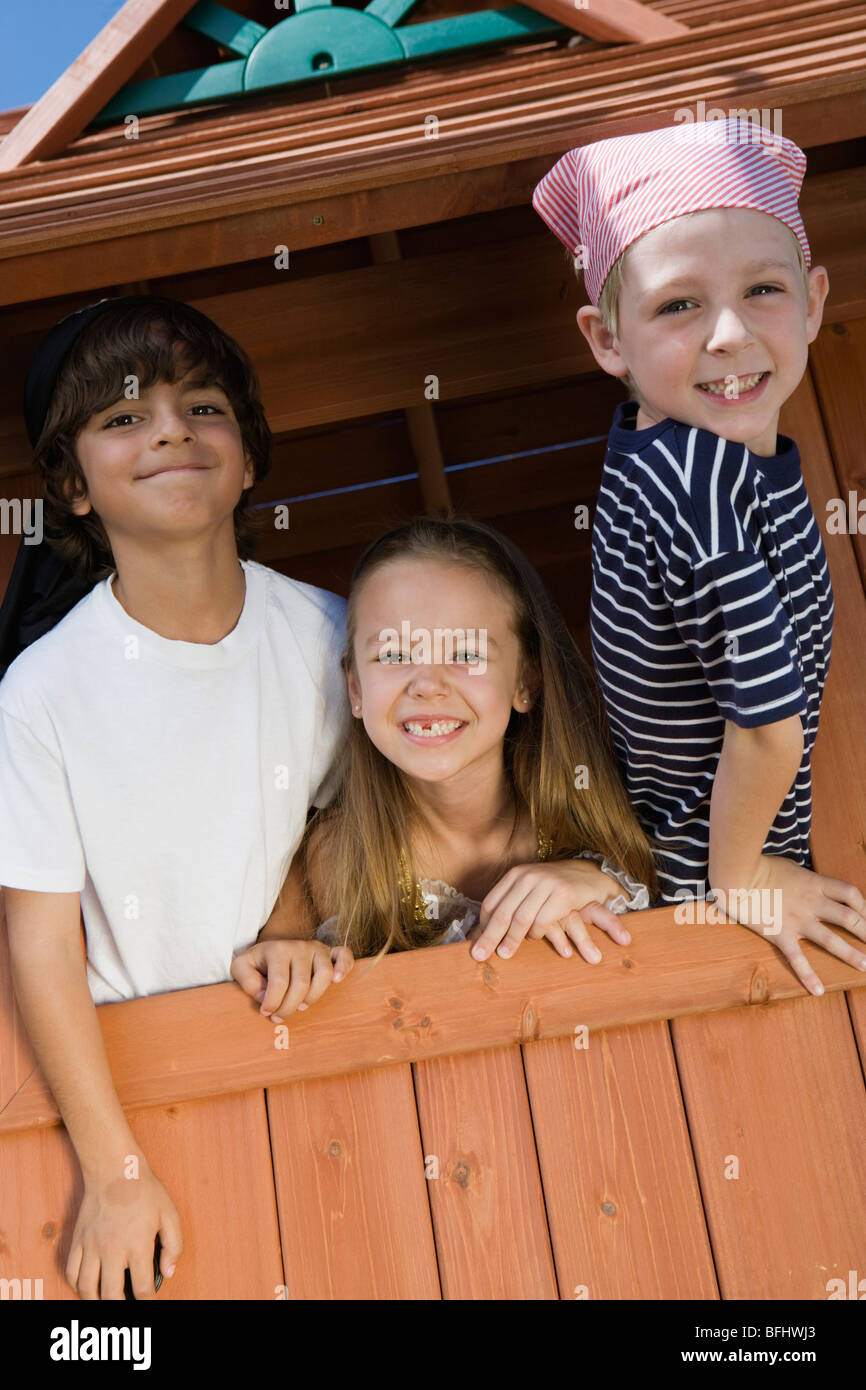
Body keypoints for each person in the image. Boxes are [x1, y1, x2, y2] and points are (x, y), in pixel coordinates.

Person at [0, 296, 349, 1298]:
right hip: (126, 1099)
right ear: (71, 485)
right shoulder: (40, 694)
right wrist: (112, 1174)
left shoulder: (328, 634)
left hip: (307, 1050)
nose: (167, 429)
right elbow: (41, 940)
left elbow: (349, 816)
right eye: (120, 418)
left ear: (246, 456)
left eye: (201, 407)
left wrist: (291, 920)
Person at [531, 117, 866, 995]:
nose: (727, 333)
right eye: (678, 304)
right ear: (608, 341)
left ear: (814, 300)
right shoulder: (694, 490)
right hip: (708, 888)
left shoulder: (688, 456)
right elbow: (762, 728)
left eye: (762, 289)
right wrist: (744, 879)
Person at [230, 516, 660, 1022]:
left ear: (526, 679)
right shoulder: (329, 859)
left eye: (466, 653)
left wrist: (600, 880)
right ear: (355, 689)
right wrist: (287, 961)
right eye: (393, 654)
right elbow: (273, 961)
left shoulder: (603, 809)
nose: (427, 684)